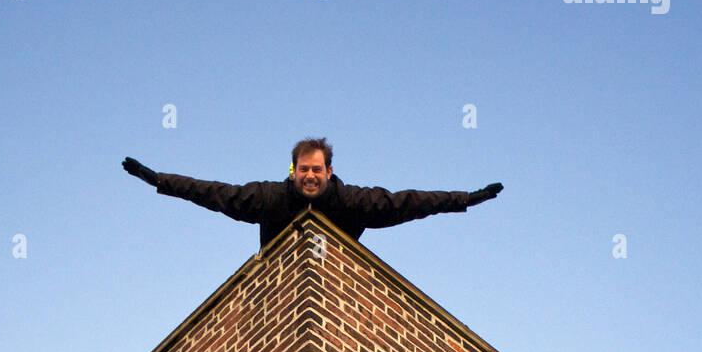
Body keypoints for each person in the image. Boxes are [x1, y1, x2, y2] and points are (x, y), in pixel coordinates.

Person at [122, 138, 502, 250]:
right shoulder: (271, 197)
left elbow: (409, 203)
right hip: (277, 279)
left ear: (329, 172)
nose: (309, 176)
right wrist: (159, 180)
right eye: (302, 169)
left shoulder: (351, 200)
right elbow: (216, 193)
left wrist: (465, 199)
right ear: (293, 170)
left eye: (316, 170)